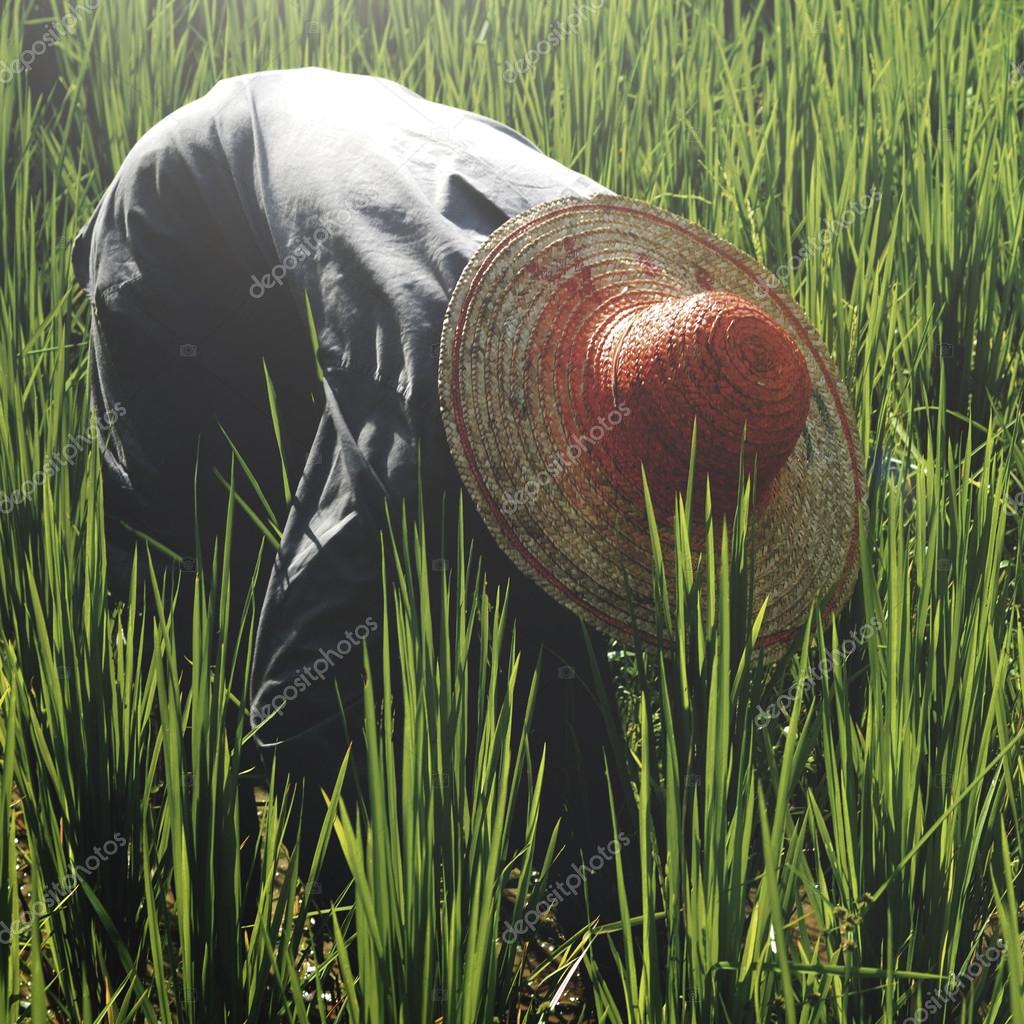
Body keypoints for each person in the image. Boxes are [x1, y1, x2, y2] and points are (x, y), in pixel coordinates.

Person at [71, 67, 863, 941]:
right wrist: (384, 932)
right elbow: (301, 681)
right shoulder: (435, 379)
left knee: (497, 552)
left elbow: (545, 602)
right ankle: (204, 854)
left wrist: (616, 910)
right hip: (180, 231)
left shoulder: (661, 308)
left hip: (342, 175)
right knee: (205, 568)